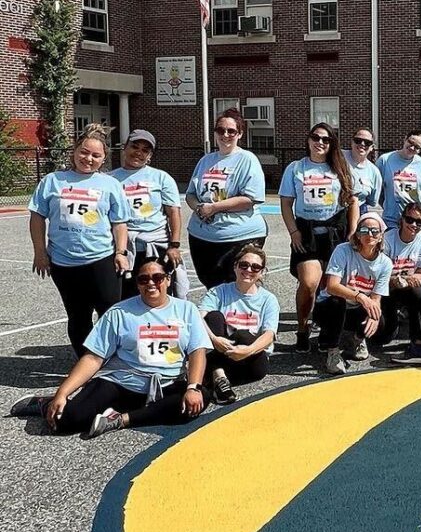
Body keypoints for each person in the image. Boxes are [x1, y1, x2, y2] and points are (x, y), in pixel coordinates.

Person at [10, 257, 211, 438]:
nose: (151, 283)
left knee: (198, 400)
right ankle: (42, 403)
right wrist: (62, 392)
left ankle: (120, 420)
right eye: (143, 279)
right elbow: (93, 358)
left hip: (165, 384)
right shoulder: (120, 312)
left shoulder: (186, 310)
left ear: (167, 279)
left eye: (157, 277)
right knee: (66, 421)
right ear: (137, 283)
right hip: (122, 382)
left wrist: (193, 387)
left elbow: (197, 352)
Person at [29, 123, 128, 356]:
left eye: (96, 155)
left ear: (103, 159)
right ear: (74, 151)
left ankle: (115, 359)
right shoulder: (53, 181)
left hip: (101, 259)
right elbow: (37, 217)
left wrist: (121, 253)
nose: (88, 158)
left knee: (111, 313)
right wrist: (40, 252)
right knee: (78, 316)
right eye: (84, 152)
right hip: (64, 263)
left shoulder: (110, 184)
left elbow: (119, 222)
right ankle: (86, 363)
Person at [279, 122, 358, 351]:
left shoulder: (340, 167)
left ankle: (327, 327)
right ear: (308, 140)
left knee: (331, 284)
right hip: (307, 232)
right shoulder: (296, 168)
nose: (320, 142)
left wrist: (352, 230)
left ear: (332, 143)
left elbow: (352, 201)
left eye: (326, 139)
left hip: (335, 232)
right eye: (316, 137)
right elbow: (286, 203)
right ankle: (302, 327)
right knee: (310, 282)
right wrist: (293, 231)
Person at [185, 108, 267, 288]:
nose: (225, 135)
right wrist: (199, 208)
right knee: (211, 285)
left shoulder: (247, 159)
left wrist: (214, 208)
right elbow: (191, 194)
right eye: (221, 130)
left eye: (231, 131)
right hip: (202, 236)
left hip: (238, 235)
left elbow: (250, 199)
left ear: (240, 134)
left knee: (235, 285)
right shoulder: (206, 160)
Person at [313, 212, 393, 375]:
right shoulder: (343, 250)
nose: (369, 234)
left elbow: (376, 298)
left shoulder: (385, 263)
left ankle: (357, 339)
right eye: (364, 230)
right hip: (329, 307)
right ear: (357, 234)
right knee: (338, 301)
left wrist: (373, 317)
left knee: (380, 321)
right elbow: (332, 286)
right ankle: (333, 351)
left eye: (374, 231)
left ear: (380, 236)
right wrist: (360, 296)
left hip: (355, 309)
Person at [200, 244, 280, 404]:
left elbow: (269, 335)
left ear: (262, 272)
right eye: (244, 265)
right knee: (214, 316)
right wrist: (215, 339)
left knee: (243, 334)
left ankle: (213, 375)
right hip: (220, 348)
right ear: (235, 266)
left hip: (250, 356)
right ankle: (219, 378)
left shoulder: (268, 299)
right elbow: (198, 319)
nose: (249, 270)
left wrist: (248, 350)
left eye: (255, 267)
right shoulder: (218, 292)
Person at [111, 129, 183, 299]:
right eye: (135, 146)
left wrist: (174, 246)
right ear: (124, 148)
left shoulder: (161, 177)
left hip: (156, 246)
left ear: (150, 155)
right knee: (126, 297)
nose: (139, 152)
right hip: (124, 247)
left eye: (145, 150)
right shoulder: (110, 179)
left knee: (158, 295)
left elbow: (173, 212)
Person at [383, 203, 421, 364]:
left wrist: (403, 279)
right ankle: (392, 321)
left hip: (409, 286)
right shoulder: (387, 238)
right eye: (410, 219)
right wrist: (395, 280)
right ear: (402, 219)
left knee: (420, 293)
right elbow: (379, 274)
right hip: (388, 288)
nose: (413, 225)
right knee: (384, 337)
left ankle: (417, 341)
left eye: (418, 222)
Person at [376, 132, 421, 228]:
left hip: (417, 220)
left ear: (420, 150)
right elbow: (379, 191)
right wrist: (389, 205)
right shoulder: (385, 160)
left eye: (417, 147)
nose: (412, 148)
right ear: (405, 139)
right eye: (411, 142)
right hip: (392, 219)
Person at [344, 127, 383, 212]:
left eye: (367, 142)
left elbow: (372, 202)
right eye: (358, 140)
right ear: (352, 142)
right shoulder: (338, 157)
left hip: (358, 212)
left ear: (372, 147)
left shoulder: (374, 172)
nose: (362, 144)